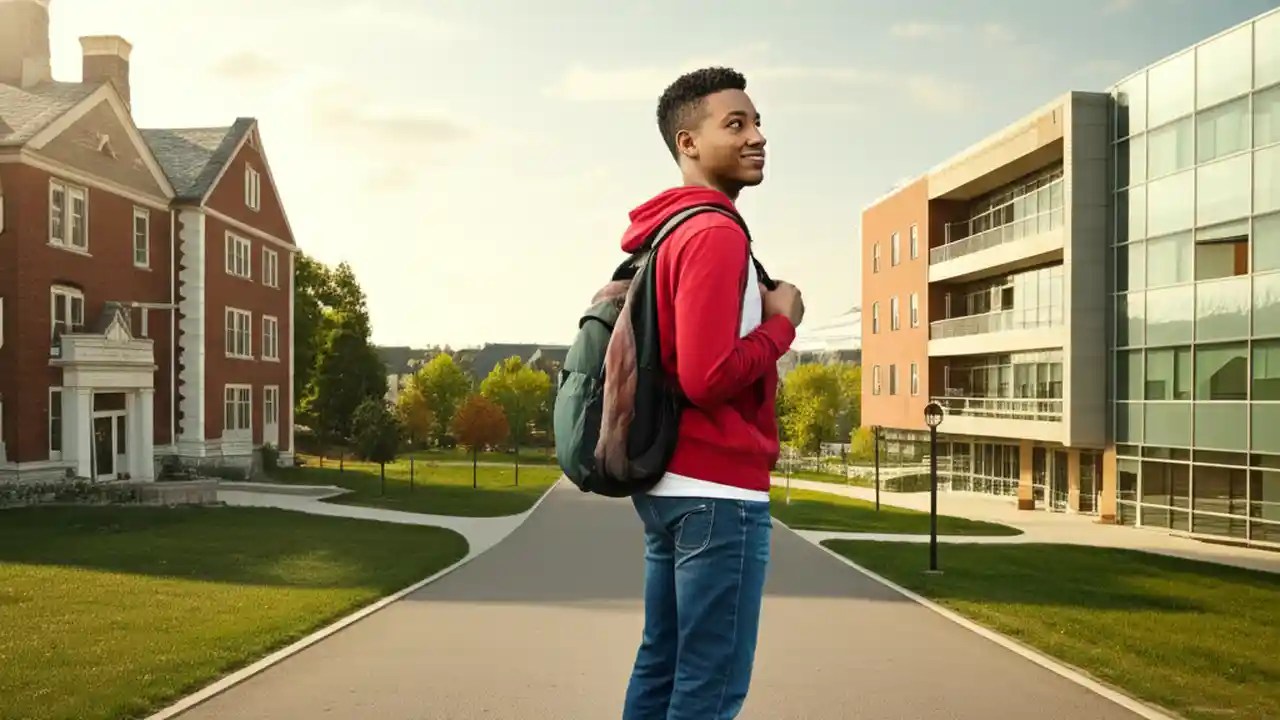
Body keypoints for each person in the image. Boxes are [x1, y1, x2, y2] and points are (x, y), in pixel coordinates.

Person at [619, 66, 805, 720]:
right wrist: (783, 323)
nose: (757, 136)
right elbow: (707, 376)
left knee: (664, 665)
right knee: (710, 687)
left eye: (757, 123)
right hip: (717, 492)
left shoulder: (669, 230)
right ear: (688, 142)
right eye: (737, 124)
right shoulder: (715, 233)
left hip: (671, 483)